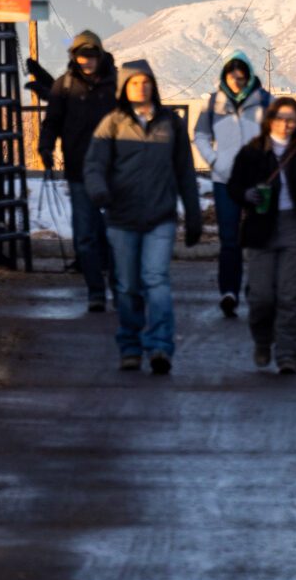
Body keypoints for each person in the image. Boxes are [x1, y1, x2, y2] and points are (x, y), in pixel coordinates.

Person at [82, 59, 205, 375]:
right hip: (122, 217)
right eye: (134, 82)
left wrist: (193, 215)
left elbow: (184, 171)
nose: (141, 87)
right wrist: (99, 191)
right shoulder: (112, 124)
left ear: (154, 85)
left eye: (146, 81)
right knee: (127, 287)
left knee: (156, 279)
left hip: (160, 217)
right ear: (124, 88)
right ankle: (131, 346)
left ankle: (161, 346)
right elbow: (94, 165)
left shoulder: (170, 123)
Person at [223, 95, 296, 376]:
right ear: (269, 120)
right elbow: (234, 186)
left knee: (290, 297)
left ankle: (288, 355)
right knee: (261, 297)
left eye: (291, 119)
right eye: (280, 118)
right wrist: (246, 194)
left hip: (295, 229)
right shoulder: (251, 153)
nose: (285, 124)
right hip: (261, 229)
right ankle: (263, 340)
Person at [33, 30, 119, 312]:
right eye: (82, 55)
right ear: (74, 56)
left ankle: (119, 288)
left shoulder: (117, 85)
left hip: (112, 170)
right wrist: (45, 148)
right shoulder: (65, 86)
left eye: (92, 55)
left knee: (115, 234)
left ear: (100, 56)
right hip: (79, 170)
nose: (87, 60)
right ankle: (96, 292)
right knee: (84, 236)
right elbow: (52, 122)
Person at [190, 49, 269, 318]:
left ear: (248, 76)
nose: (236, 80)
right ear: (224, 76)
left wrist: (267, 166)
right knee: (229, 239)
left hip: (258, 180)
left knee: (259, 238)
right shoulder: (213, 103)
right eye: (231, 75)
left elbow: (276, 135)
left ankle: (256, 290)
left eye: (241, 75)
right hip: (224, 180)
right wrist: (215, 161)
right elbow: (200, 135)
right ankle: (229, 292)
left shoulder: (264, 101)